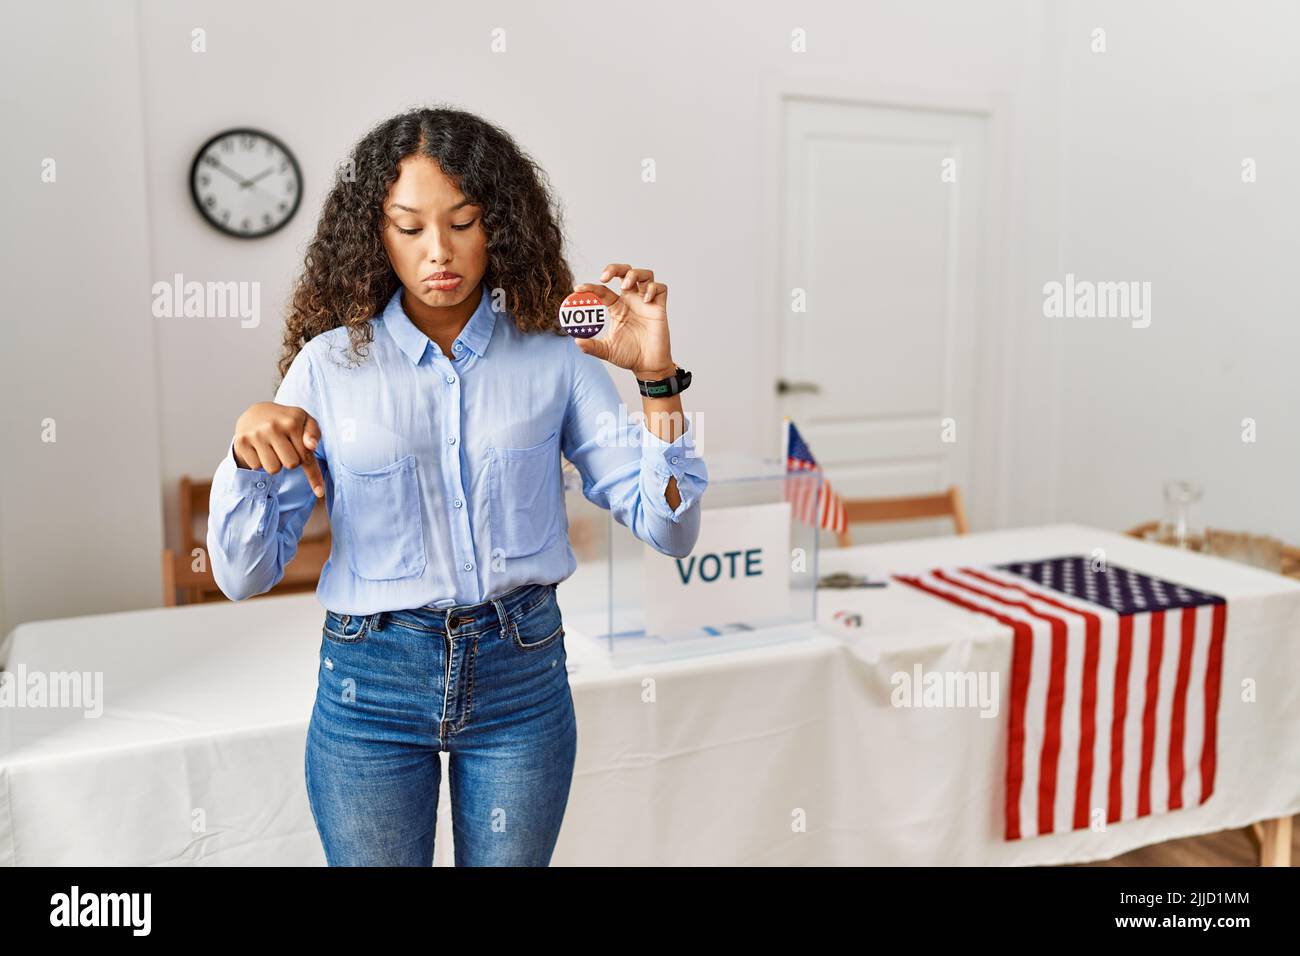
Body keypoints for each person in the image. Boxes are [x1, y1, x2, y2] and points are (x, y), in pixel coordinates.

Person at [205, 106, 708, 866]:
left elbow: (671, 529)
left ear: (500, 225)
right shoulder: (326, 366)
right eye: (408, 227)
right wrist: (246, 461)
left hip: (521, 678)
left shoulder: (556, 356)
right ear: (374, 232)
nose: (438, 251)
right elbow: (244, 577)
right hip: (368, 685)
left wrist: (657, 380)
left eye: (464, 221)